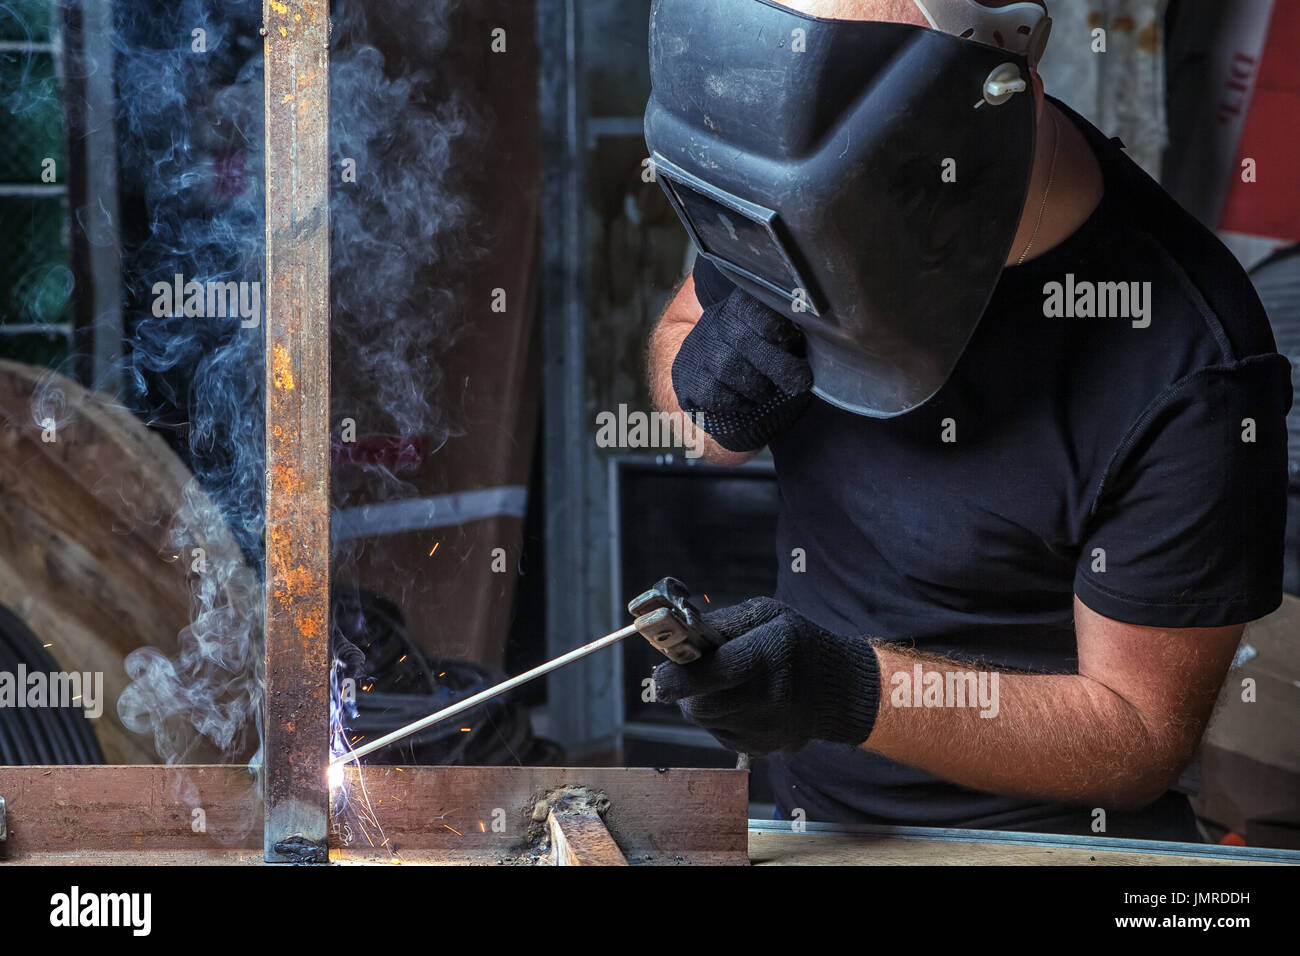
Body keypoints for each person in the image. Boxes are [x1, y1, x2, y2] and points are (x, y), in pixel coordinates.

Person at [645, 0, 1292, 839]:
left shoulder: (1189, 366)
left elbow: (1138, 738)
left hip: (1037, 848)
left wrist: (850, 690)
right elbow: (687, 365)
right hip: (812, 828)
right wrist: (706, 395)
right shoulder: (796, 189)